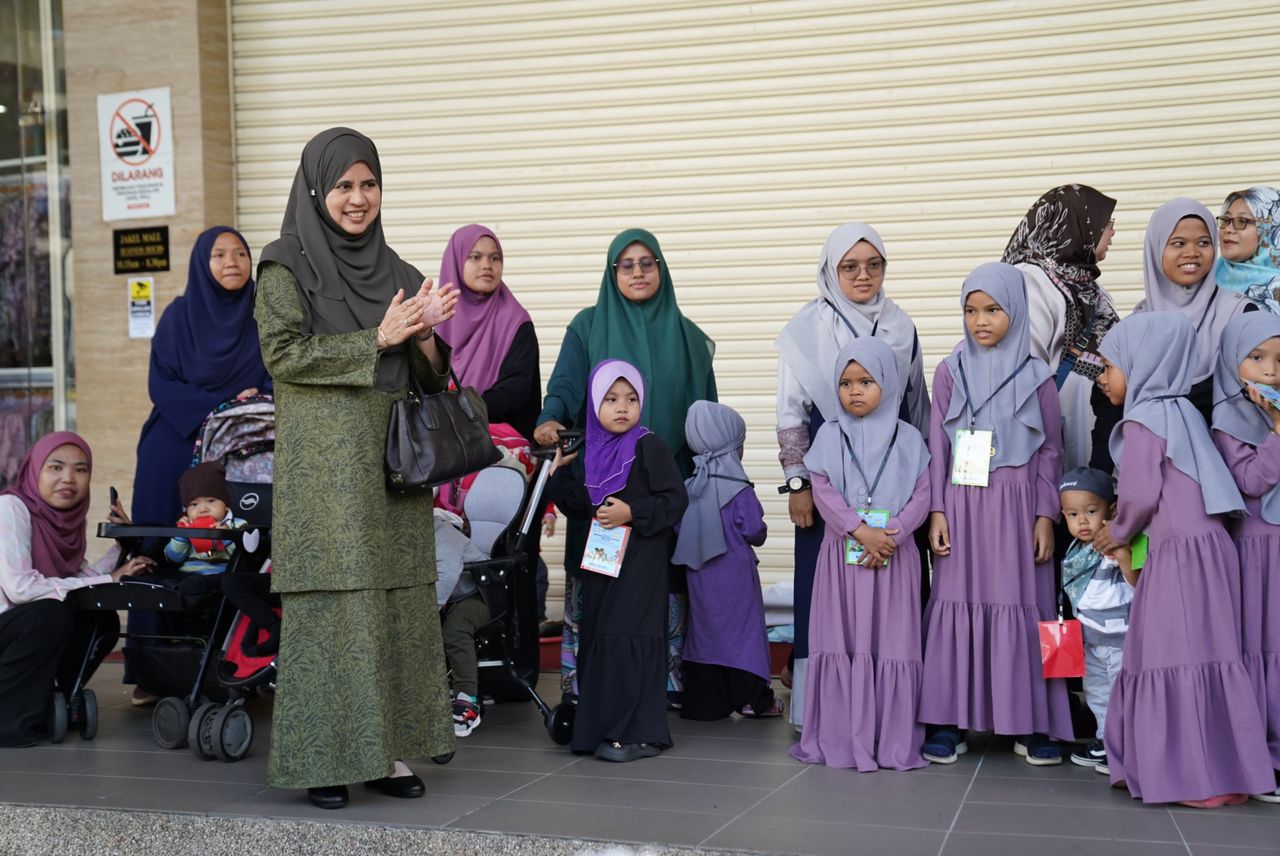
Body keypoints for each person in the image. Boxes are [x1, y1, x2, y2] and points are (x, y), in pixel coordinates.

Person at [255, 126, 458, 809]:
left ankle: (387, 754)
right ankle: (324, 758)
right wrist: (375, 338)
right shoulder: (283, 266)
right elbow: (283, 356)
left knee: (396, 609)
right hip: (325, 480)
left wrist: (426, 338)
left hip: (391, 471)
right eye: (343, 185)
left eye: (369, 184)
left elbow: (431, 382)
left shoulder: (399, 273)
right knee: (334, 615)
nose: (357, 198)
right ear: (317, 189)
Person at [1092, 311, 1272, 807]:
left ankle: (1190, 777)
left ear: (1143, 362)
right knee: (1208, 654)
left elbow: (1139, 492)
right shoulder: (1186, 414)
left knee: (1168, 655)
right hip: (1212, 550)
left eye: (1110, 366)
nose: (1104, 378)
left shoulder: (1145, 418)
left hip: (1179, 556)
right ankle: (1220, 769)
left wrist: (1117, 532)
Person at [535, 228, 715, 707]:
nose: (637, 272)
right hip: (600, 478)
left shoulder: (691, 338)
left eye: (647, 262)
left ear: (662, 268)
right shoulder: (589, 325)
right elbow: (566, 385)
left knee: (659, 577)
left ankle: (663, 685)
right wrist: (550, 418)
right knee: (599, 573)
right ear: (612, 272)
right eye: (626, 264)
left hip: (664, 477)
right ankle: (588, 683)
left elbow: (705, 414)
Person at [775, 222, 928, 732]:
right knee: (822, 586)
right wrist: (798, 482)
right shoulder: (806, 328)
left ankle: (888, 701)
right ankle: (824, 706)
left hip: (894, 465)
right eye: (850, 266)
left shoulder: (901, 326)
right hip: (829, 466)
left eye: (874, 265)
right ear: (830, 269)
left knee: (891, 585)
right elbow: (790, 409)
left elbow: (914, 403)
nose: (863, 275)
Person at [919, 262, 1071, 766]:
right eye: (970, 309)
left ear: (1017, 311)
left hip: (1020, 507)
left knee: (1028, 605)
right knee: (955, 601)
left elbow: (1051, 451)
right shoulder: (948, 371)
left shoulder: (1038, 376)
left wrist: (1046, 515)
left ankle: (1034, 722)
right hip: (962, 506)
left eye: (993, 309)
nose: (980, 320)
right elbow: (937, 446)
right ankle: (947, 719)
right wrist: (937, 510)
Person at [126, 226, 270, 704]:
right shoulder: (178, 317)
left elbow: (277, 377)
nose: (232, 262)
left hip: (240, 449)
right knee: (157, 546)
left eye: (241, 253)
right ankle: (151, 669)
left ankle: (233, 661)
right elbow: (162, 386)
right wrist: (223, 403)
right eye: (218, 255)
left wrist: (251, 404)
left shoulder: (265, 316)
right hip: (174, 440)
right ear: (200, 265)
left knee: (232, 552)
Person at [789, 337, 930, 771]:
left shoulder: (910, 438)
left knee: (891, 643)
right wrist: (859, 529)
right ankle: (840, 735)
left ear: (887, 382)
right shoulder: (828, 435)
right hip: (844, 557)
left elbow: (925, 493)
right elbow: (823, 491)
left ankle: (889, 738)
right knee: (842, 642)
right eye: (846, 382)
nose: (854, 390)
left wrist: (895, 532)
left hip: (894, 555)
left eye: (866, 381)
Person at [545, 359, 688, 762]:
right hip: (604, 562)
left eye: (630, 398)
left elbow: (675, 499)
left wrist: (632, 513)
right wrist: (556, 476)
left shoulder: (649, 445)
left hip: (641, 563)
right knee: (600, 636)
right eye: (610, 399)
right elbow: (581, 506)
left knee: (632, 635)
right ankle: (604, 728)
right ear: (594, 404)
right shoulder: (594, 451)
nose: (622, 407)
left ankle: (639, 734)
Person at [433, 223, 553, 643]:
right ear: (456, 261)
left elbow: (519, 392)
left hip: (501, 462)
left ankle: (510, 663)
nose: (487, 265)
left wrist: (462, 406)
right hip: (441, 459)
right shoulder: (435, 319)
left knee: (507, 558)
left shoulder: (516, 321)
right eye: (476, 257)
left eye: (495, 257)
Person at [0, 432, 154, 746]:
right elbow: (20, 590)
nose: (68, 478)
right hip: (13, 621)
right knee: (49, 614)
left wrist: (121, 542)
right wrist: (109, 579)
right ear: (35, 471)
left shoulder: (65, 523)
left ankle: (56, 700)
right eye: (55, 467)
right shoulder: (10, 508)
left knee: (100, 618)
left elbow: (79, 577)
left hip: (22, 630)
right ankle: (8, 719)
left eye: (80, 470)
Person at [672, 400, 778, 721]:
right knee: (744, 633)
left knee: (705, 631)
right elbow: (755, 530)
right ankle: (753, 698)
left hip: (699, 578)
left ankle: (708, 700)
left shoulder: (689, 488)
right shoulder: (739, 489)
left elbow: (678, 528)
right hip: (736, 579)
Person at [1211, 312, 1280, 802]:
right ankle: (1261, 754)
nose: (1270, 371)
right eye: (1256, 359)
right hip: (1253, 547)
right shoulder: (1227, 421)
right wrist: (1278, 430)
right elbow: (1252, 481)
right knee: (1258, 643)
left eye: (1279, 361)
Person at [1002, 185, 1119, 472]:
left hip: (1090, 422)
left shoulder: (1087, 286)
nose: (1113, 232)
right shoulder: (1030, 281)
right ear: (1079, 224)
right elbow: (1027, 370)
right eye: (1107, 223)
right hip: (1054, 430)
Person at [1135, 198, 1256, 424]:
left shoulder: (1241, 313)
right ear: (1156, 247)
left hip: (1225, 451)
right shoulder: (1139, 321)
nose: (1192, 252)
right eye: (1178, 243)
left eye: (1203, 242)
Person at [1056, 467, 1134, 774]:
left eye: (1090, 511)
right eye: (1073, 515)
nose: (1082, 521)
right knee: (1098, 693)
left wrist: (1125, 558)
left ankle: (1125, 745)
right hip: (1089, 639)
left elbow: (1137, 585)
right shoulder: (1077, 550)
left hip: (1119, 639)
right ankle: (1105, 739)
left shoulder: (1114, 547)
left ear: (1111, 509)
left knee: (1120, 694)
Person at [163, 462, 246, 578]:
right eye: (194, 504)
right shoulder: (187, 525)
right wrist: (182, 536)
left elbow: (245, 559)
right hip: (188, 574)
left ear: (226, 505)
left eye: (211, 501)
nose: (203, 509)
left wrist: (227, 537)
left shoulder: (238, 525)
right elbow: (173, 558)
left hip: (221, 576)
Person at [1216, 186, 1280, 315]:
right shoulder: (1205, 276)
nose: (1228, 229)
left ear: (1268, 229)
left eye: (1242, 221)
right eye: (1225, 220)